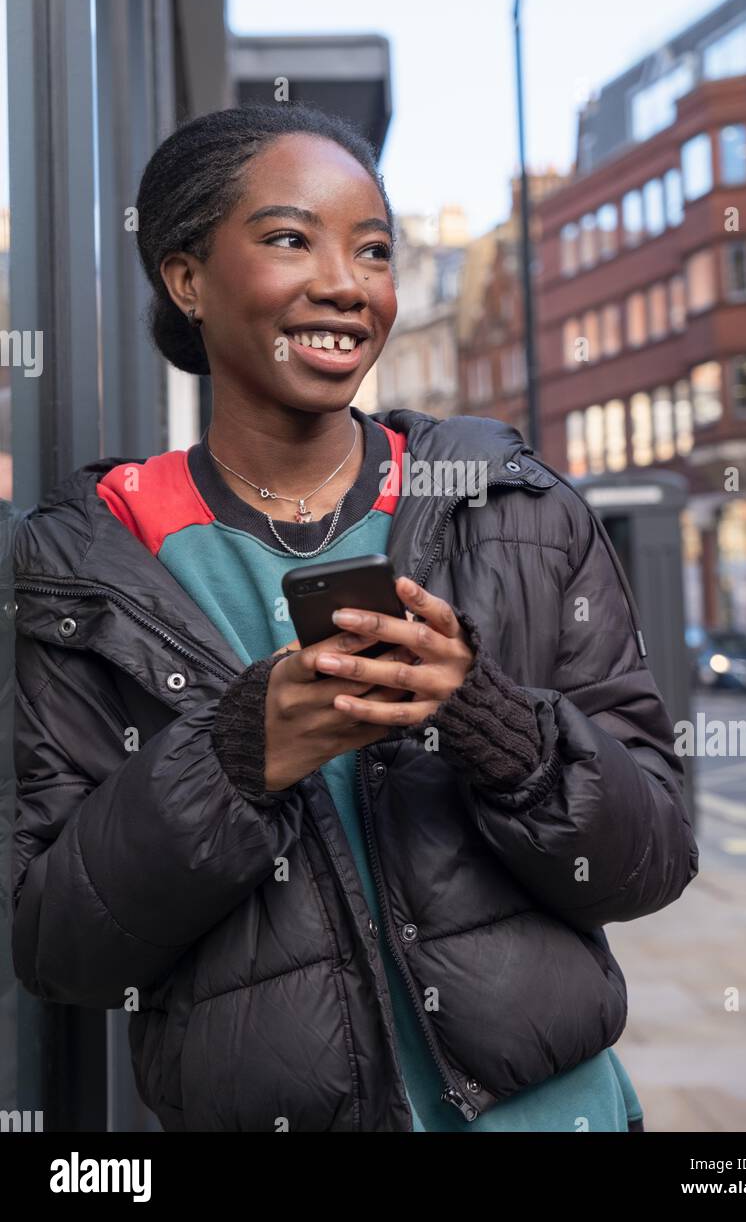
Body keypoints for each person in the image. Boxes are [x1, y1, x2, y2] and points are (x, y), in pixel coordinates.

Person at [12, 103, 699, 1133]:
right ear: (186, 277)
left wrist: (494, 727)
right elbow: (57, 943)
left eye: (372, 249)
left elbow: (649, 861)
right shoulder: (84, 564)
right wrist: (239, 754)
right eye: (290, 238)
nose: (344, 283)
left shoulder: (514, 509)